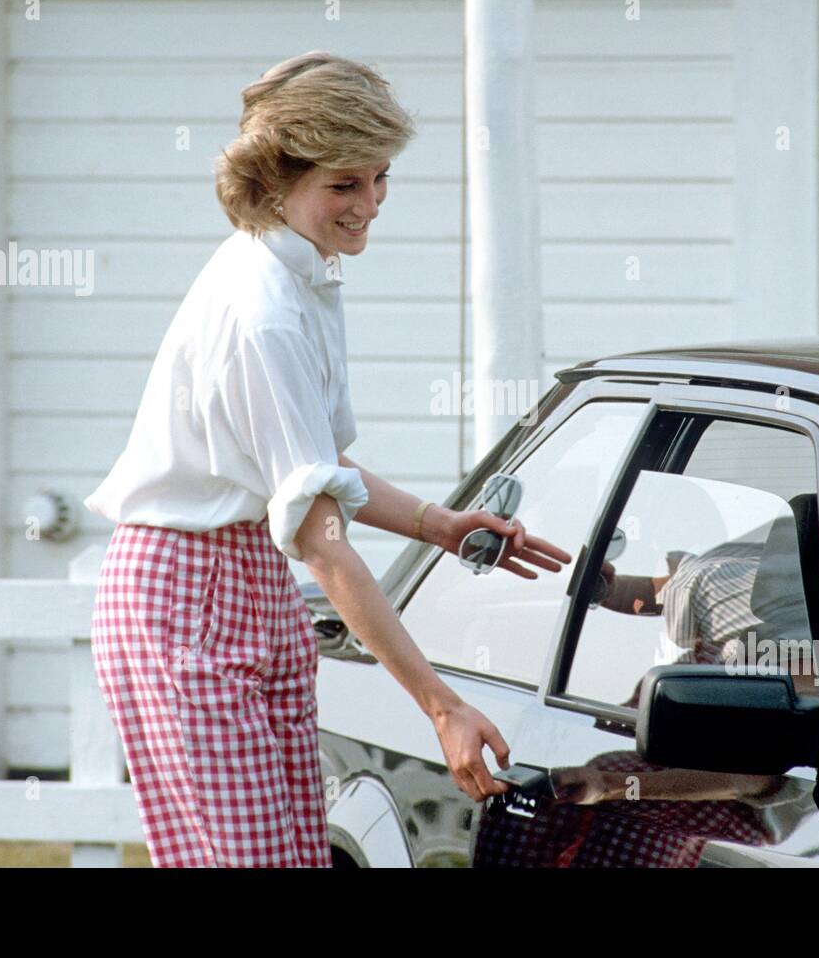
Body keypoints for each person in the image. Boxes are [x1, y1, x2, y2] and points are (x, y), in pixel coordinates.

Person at [84, 51, 571, 867]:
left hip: (249, 580)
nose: (369, 204)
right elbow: (321, 536)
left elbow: (322, 471)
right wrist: (441, 705)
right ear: (275, 180)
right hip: (185, 595)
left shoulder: (301, 273)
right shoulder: (263, 310)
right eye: (343, 185)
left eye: (379, 178)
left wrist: (442, 524)